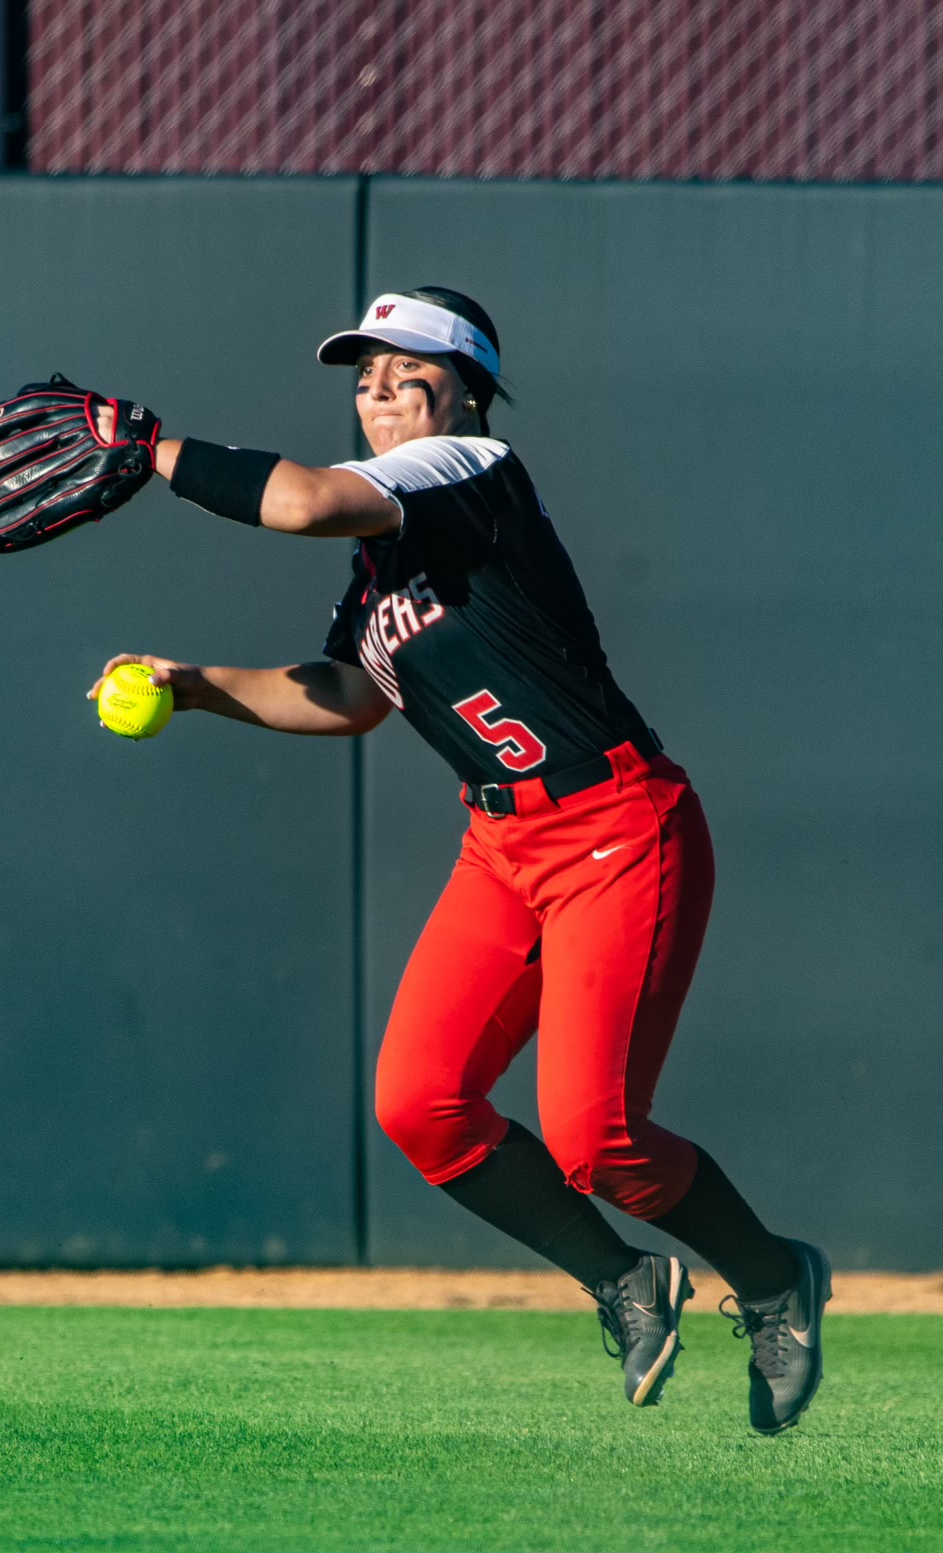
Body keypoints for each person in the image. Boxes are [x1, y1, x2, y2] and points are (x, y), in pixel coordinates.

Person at [92, 287, 829, 1435]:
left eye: (409, 369)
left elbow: (302, 500)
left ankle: (775, 1276)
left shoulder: (467, 468)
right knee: (420, 1103)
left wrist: (151, 450)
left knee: (599, 1138)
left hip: (614, 827)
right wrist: (195, 687)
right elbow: (348, 695)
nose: (381, 389)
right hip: (503, 846)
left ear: (469, 391)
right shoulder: (382, 557)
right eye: (365, 374)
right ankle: (625, 1280)